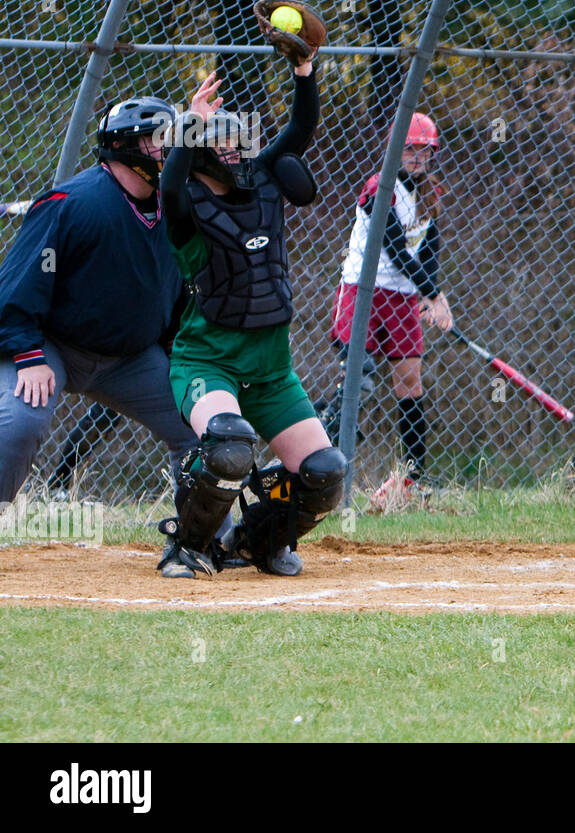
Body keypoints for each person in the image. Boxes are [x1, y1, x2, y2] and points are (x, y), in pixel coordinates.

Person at [156, 49, 346, 580]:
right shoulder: (186, 206)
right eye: (222, 142)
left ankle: (253, 541)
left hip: (271, 371)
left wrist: (304, 69)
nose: (237, 150)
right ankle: (187, 547)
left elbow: (302, 125)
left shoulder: (263, 182)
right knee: (230, 446)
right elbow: (169, 185)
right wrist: (190, 122)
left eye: (238, 140)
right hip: (207, 362)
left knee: (324, 473)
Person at [0, 97, 195, 502]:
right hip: (52, 346)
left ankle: (203, 539)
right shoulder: (74, 203)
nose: (169, 149)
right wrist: (28, 355)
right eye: (157, 140)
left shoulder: (175, 204)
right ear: (124, 145)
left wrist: (175, 350)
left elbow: (178, 289)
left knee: (204, 425)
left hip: (129, 359)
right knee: (19, 425)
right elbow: (20, 284)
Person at [325, 112, 453, 508]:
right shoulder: (380, 188)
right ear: (396, 151)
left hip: (402, 297)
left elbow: (428, 251)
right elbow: (396, 251)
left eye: (423, 150)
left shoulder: (431, 192)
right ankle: (321, 468)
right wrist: (431, 294)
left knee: (410, 384)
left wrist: (433, 295)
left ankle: (413, 478)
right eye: (410, 149)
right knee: (357, 382)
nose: (416, 157)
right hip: (363, 292)